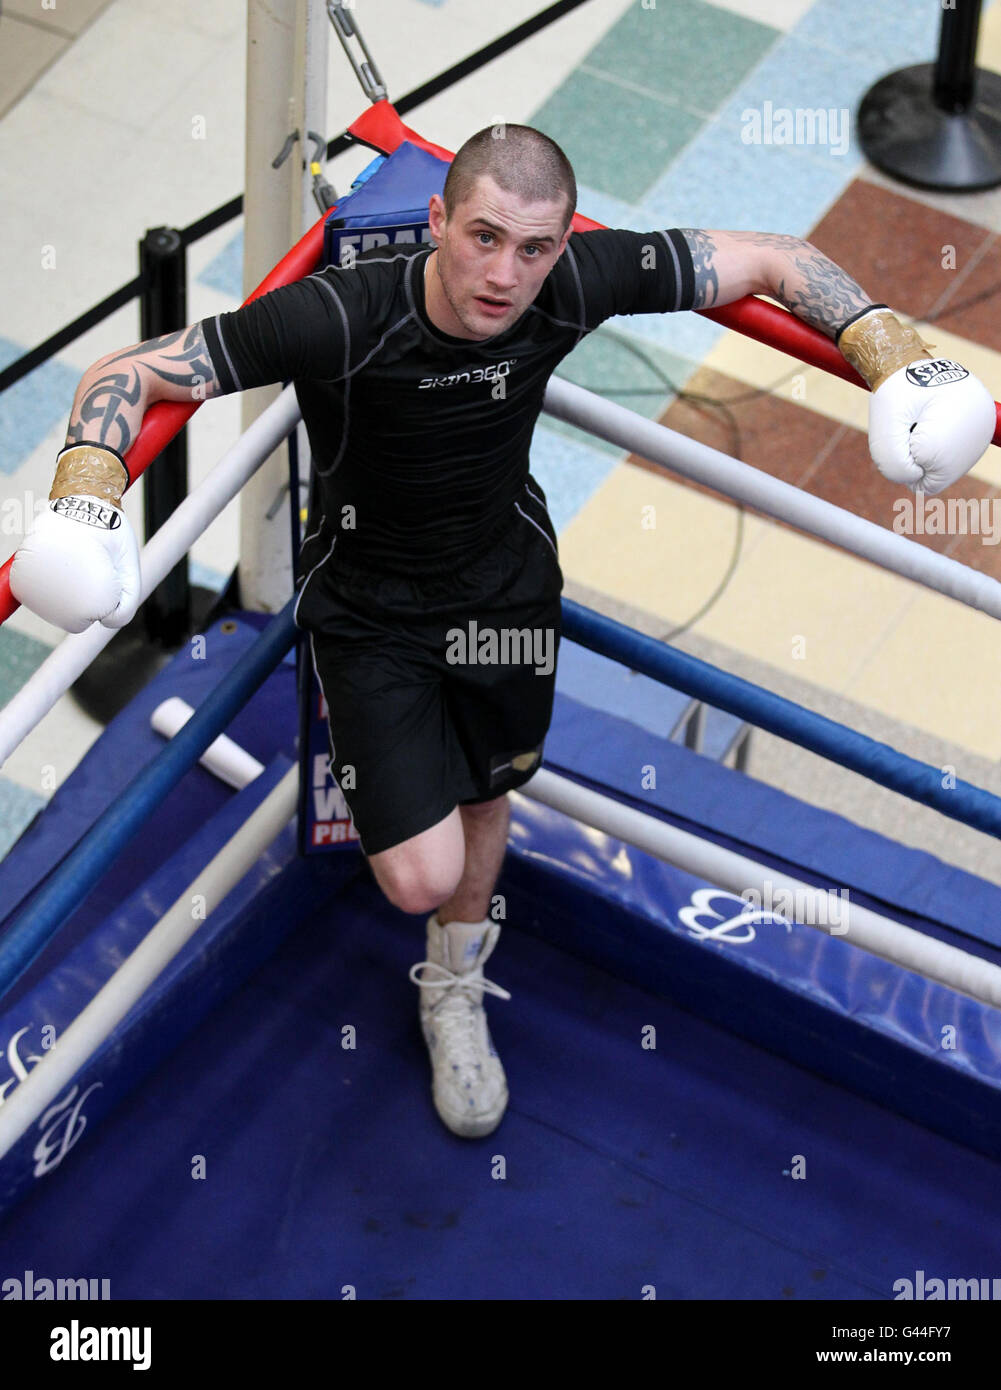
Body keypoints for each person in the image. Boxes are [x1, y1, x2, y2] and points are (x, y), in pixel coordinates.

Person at [11, 125, 996, 1140]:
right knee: (417, 873)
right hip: (369, 615)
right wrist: (84, 498)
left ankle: (455, 983)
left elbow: (777, 258)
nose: (502, 273)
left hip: (506, 593)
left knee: (490, 787)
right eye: (481, 236)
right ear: (436, 220)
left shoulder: (571, 281)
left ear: (560, 243)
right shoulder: (342, 315)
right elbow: (132, 372)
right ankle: (410, 840)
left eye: (532, 248)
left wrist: (898, 356)